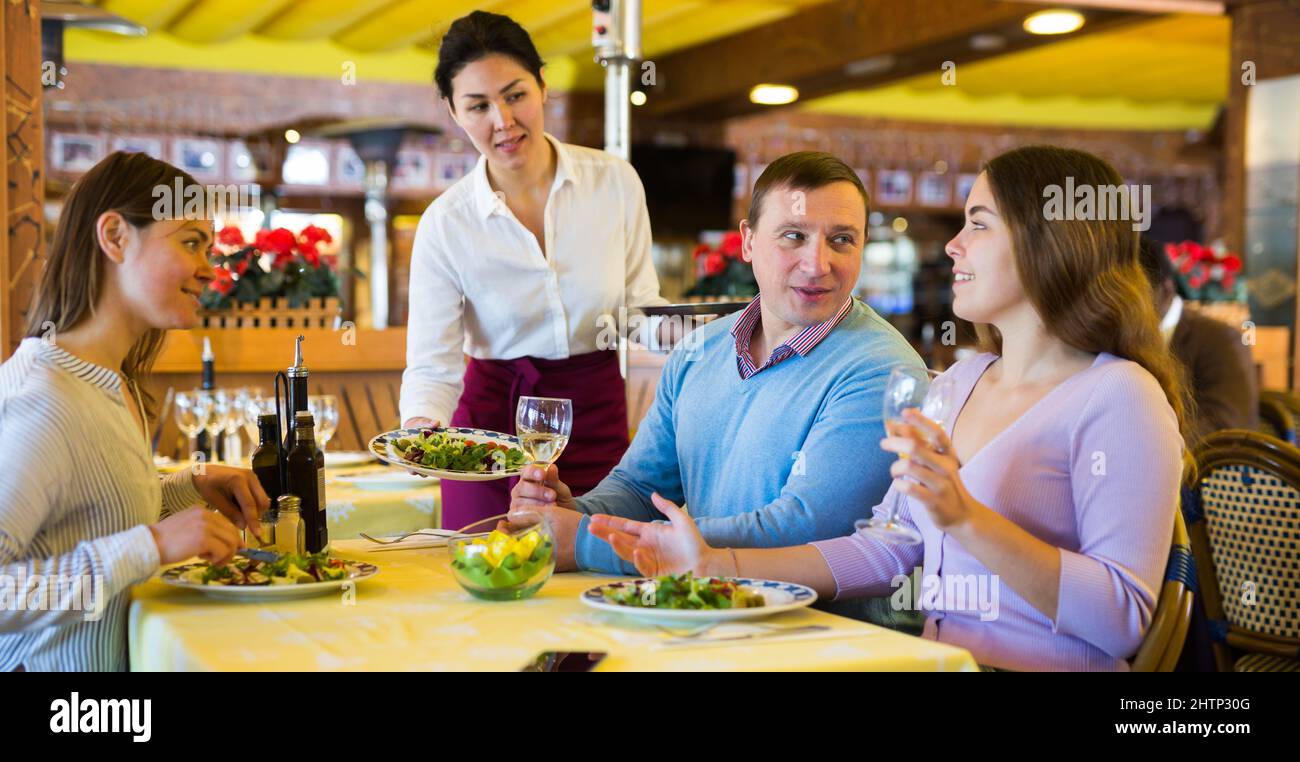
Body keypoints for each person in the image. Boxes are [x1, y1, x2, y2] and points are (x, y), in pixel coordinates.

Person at [588, 146, 1189, 672]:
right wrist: (718, 563)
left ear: (1048, 243)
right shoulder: (962, 381)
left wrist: (964, 519)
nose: (953, 245)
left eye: (977, 225)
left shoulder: (1122, 396)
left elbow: (1121, 620)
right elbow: (888, 547)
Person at [510, 151, 924, 578]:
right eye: (794, 236)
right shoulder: (700, 350)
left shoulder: (882, 371)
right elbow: (637, 488)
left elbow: (804, 527)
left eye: (842, 239)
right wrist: (569, 512)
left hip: (817, 634)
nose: (818, 264)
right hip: (705, 615)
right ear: (747, 241)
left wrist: (583, 539)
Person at [0, 151, 271, 671]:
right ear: (116, 237)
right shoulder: (42, 398)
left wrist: (189, 486)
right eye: (191, 243)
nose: (208, 270)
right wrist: (151, 545)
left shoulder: (110, 382)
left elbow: (88, 520)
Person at [399, 10, 666, 529]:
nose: (503, 121)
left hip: (594, 417)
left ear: (543, 86)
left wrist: (711, 336)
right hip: (489, 439)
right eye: (478, 105)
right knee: (483, 571)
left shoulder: (614, 183)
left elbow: (640, 310)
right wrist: (420, 429)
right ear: (454, 112)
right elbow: (433, 365)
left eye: (515, 94)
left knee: (597, 573)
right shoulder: (446, 223)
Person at [1138, 236, 1256, 442]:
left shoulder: (1220, 339)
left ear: (1166, 289)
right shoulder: (1124, 339)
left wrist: (1153, 447)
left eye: (1136, 295)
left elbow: (1226, 425)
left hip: (1212, 469)